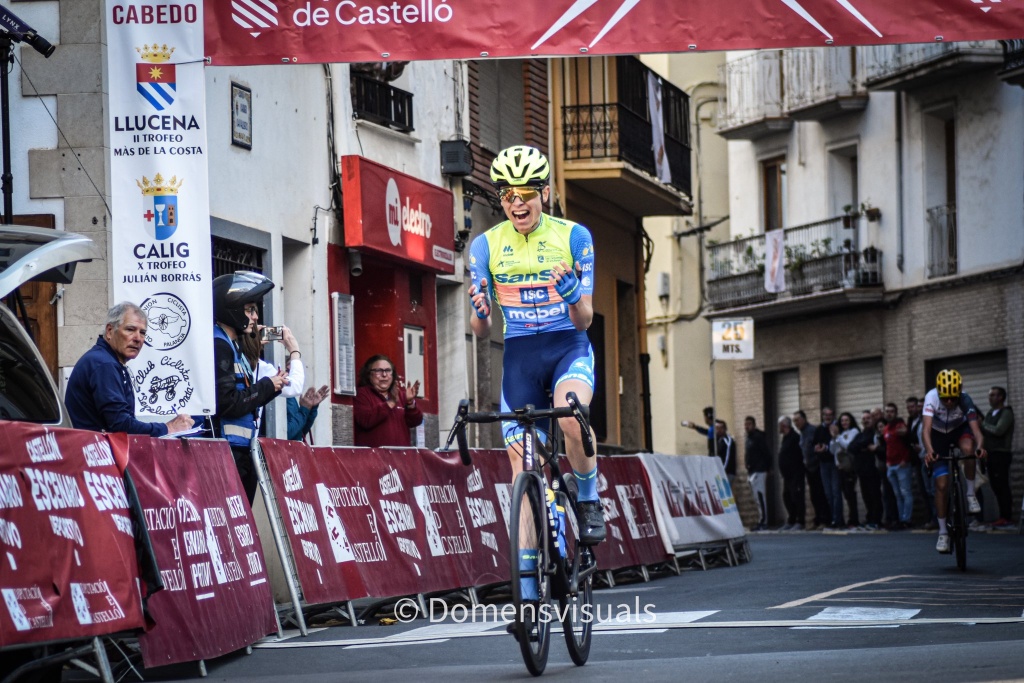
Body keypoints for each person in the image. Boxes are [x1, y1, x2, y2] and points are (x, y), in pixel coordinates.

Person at [468, 145, 603, 604]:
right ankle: (527, 599)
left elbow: (585, 320)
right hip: (520, 356)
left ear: (544, 192)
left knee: (570, 415)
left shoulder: (575, 237)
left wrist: (571, 295)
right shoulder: (486, 245)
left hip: (568, 346)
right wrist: (481, 312)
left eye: (527, 192)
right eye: (508, 194)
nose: (517, 202)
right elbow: (480, 329)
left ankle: (586, 499)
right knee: (522, 473)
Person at [212, 271, 288, 503]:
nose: (255, 317)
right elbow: (228, 403)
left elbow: (242, 399)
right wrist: (267, 385)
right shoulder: (220, 345)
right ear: (232, 309)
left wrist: (271, 387)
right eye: (250, 309)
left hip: (237, 452)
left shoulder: (232, 346)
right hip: (226, 454)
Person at [66, 302, 194, 436]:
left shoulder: (109, 361)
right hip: (91, 452)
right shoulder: (104, 364)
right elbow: (121, 425)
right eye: (130, 329)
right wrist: (168, 428)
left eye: (142, 332)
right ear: (110, 331)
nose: (138, 338)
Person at [922, 369, 987, 554]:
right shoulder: (931, 397)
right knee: (941, 485)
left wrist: (980, 448)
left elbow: (977, 432)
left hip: (959, 430)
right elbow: (926, 430)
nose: (949, 402)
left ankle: (970, 493)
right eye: (946, 398)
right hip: (937, 435)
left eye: (953, 398)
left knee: (968, 450)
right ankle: (943, 532)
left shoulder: (965, 399)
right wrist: (930, 451)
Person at [353, 354, 423, 447]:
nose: (384, 375)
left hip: (400, 457)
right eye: (378, 371)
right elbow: (365, 420)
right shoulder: (362, 394)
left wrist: (410, 403)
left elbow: (415, 421)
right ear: (369, 374)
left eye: (388, 370)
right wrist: (390, 403)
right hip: (374, 457)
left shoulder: (400, 395)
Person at [981, 386, 1014, 528]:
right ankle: (1002, 516)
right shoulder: (990, 413)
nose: (990, 398)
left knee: (1002, 485)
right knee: (996, 486)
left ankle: (1006, 517)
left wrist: (981, 424)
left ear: (1001, 397)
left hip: (1001, 453)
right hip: (991, 454)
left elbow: (999, 430)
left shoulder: (1006, 413)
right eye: (990, 395)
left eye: (993, 395)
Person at [848, 410, 883, 530]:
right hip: (861, 471)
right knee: (866, 496)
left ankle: (876, 519)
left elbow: (866, 442)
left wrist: (861, 446)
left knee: (874, 495)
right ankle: (869, 518)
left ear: (872, 420)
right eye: (863, 419)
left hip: (872, 469)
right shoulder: (860, 434)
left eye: (868, 418)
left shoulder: (874, 433)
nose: (865, 420)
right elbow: (851, 447)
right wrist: (863, 447)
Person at [906, 395, 936, 529]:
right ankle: (931, 518)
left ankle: (937, 519)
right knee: (927, 492)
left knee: (934, 491)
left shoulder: (933, 420)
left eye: (922, 406)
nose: (920, 408)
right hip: (921, 459)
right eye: (918, 406)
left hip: (932, 459)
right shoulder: (916, 421)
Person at [794, 409, 828, 530]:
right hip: (808, 468)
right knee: (813, 495)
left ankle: (824, 519)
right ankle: (817, 519)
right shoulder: (801, 434)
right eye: (794, 421)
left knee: (820, 494)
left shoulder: (813, 431)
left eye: (797, 420)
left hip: (817, 467)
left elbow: (818, 446)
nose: (796, 423)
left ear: (804, 419)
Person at [882, 402, 914, 529]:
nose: (889, 413)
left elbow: (909, 443)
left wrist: (905, 460)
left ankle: (907, 519)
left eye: (891, 411)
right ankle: (901, 519)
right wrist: (887, 462)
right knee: (897, 494)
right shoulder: (886, 428)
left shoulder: (900, 426)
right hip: (891, 465)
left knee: (905, 492)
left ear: (895, 413)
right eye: (887, 411)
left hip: (902, 465)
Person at [830, 412, 861, 528]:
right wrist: (834, 438)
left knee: (850, 494)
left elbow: (847, 446)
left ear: (851, 421)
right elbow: (833, 450)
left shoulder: (854, 432)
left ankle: (854, 519)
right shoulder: (840, 433)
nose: (844, 423)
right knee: (844, 494)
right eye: (842, 421)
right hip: (839, 467)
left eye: (846, 420)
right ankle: (845, 519)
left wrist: (838, 436)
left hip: (849, 467)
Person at [813, 407, 843, 528]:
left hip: (835, 463)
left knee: (836, 492)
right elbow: (814, 443)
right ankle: (832, 519)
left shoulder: (837, 428)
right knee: (828, 493)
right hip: (823, 463)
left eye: (830, 415)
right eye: (825, 415)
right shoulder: (819, 429)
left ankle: (838, 519)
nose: (828, 417)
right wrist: (816, 449)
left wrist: (825, 447)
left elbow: (839, 443)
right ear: (822, 416)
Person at [744, 416, 772, 531]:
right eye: (746, 424)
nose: (747, 426)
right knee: (756, 497)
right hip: (752, 471)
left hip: (759, 470)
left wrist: (768, 467)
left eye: (749, 424)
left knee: (760, 496)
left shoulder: (758, 437)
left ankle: (764, 521)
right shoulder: (749, 438)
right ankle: (760, 520)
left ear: (754, 425)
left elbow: (766, 453)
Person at [777, 416, 805, 531]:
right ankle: (791, 520)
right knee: (787, 496)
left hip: (795, 473)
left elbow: (799, 455)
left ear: (784, 425)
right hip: (787, 475)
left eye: (779, 425)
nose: (778, 428)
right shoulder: (785, 437)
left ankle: (800, 521)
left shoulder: (795, 437)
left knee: (797, 497)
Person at [712, 419, 737, 484]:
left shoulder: (728, 441)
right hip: (720, 472)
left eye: (721, 428)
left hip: (727, 472)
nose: (718, 430)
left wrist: (722, 470)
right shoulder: (718, 440)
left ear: (725, 429)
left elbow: (727, 457)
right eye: (717, 428)